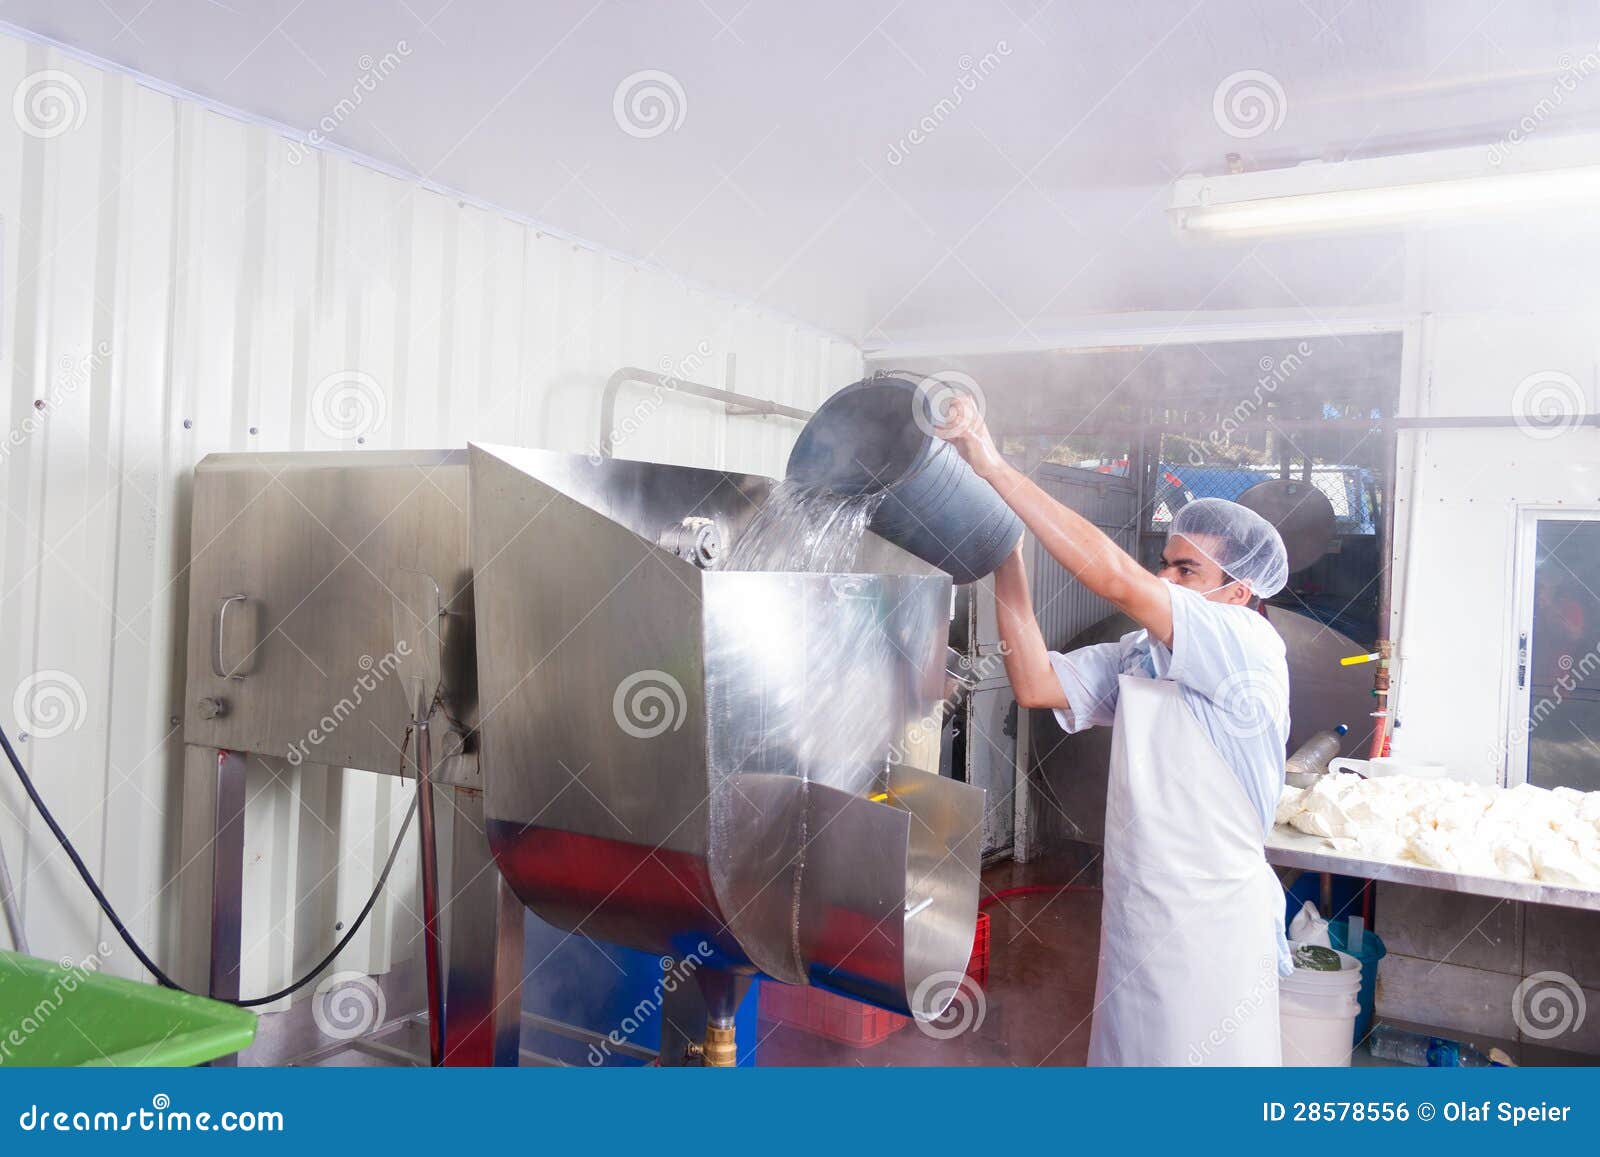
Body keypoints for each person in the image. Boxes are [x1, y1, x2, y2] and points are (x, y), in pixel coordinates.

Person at [937, 397, 1292, 1067]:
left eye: (1186, 570)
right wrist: (1008, 555)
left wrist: (992, 465)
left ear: (1239, 592)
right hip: (1139, 906)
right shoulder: (1143, 653)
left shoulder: (1244, 643)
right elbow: (1036, 682)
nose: (1164, 577)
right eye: (1166, 562)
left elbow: (1116, 580)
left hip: (1211, 919)